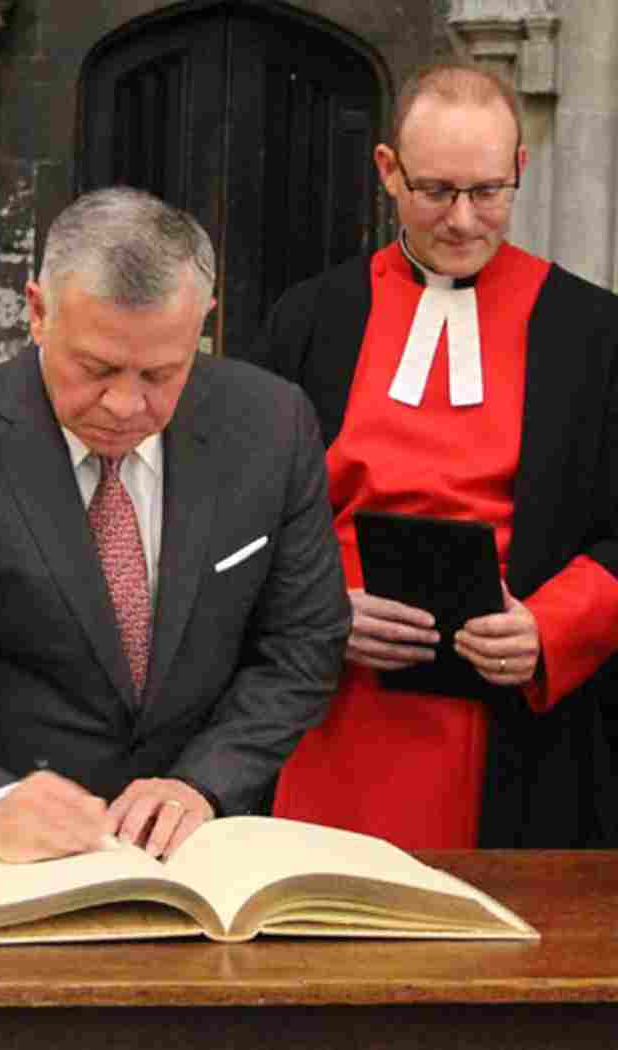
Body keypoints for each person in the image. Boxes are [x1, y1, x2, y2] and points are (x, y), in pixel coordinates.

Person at [0, 187, 350, 864]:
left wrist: (205, 782)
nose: (126, 404)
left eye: (161, 373)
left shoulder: (273, 425)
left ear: (204, 324)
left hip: (204, 851)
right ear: (38, 311)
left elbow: (305, 639)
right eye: (97, 369)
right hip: (0, 863)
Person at [248, 59, 618, 849]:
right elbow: (235, 523)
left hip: (522, 732)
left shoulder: (593, 332)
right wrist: (320, 612)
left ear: (520, 169)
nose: (462, 220)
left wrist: (551, 628)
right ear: (387, 171)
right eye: (436, 191)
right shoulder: (309, 320)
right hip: (335, 716)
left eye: (488, 192)